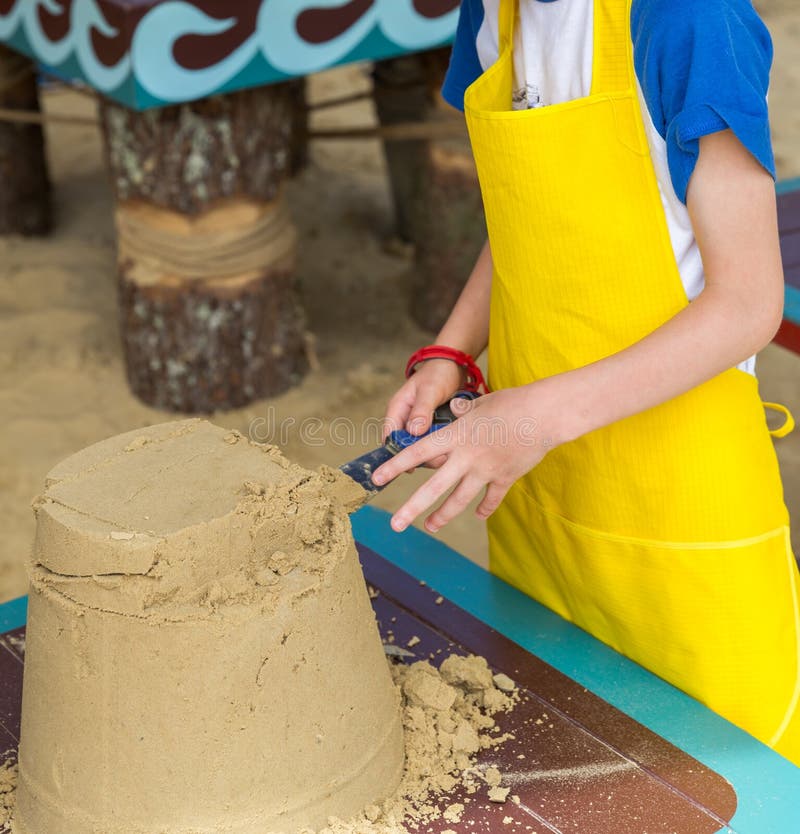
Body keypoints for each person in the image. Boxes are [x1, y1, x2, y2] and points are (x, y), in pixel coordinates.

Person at [372, 0, 800, 765]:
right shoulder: (491, 14)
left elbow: (748, 305)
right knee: (567, 740)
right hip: (539, 487)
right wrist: (452, 352)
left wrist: (536, 418)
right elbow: (528, 218)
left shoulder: (689, 22)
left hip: (676, 497)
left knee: (727, 773)